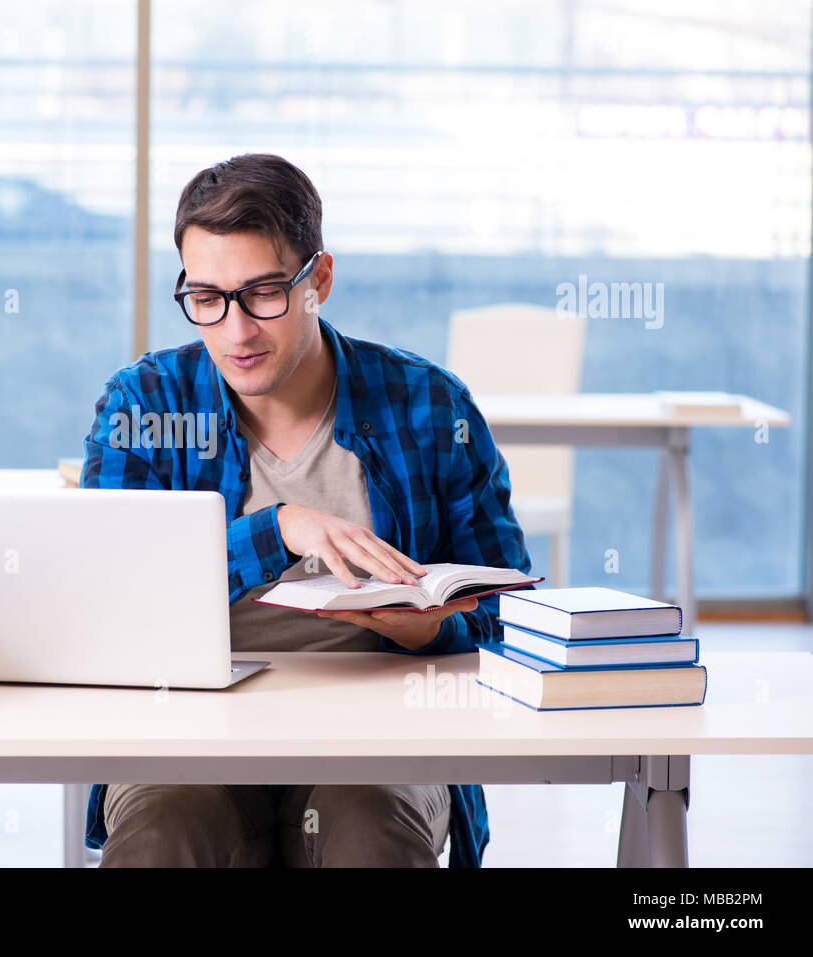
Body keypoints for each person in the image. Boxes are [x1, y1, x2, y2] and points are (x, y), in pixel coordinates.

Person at [79, 153, 533, 867]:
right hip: (190, 734)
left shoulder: (429, 405)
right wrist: (278, 528)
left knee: (368, 833)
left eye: (262, 294)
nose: (236, 332)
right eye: (206, 297)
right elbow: (105, 601)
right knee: (162, 832)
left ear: (318, 279)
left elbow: (513, 612)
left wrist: (424, 635)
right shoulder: (144, 405)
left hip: (377, 736)